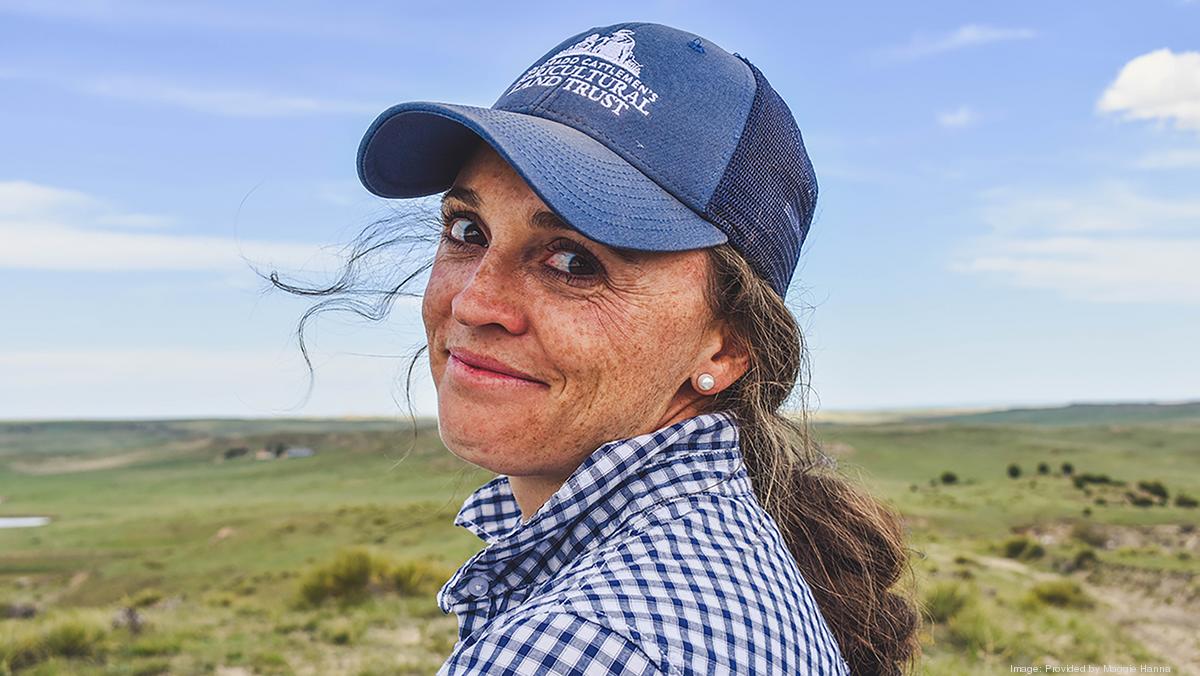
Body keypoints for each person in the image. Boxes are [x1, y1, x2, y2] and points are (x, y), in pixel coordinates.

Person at [347, 21, 918, 675]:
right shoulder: (716, 558)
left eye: (573, 261)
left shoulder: (575, 648)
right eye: (467, 229)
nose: (474, 303)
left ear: (728, 347)